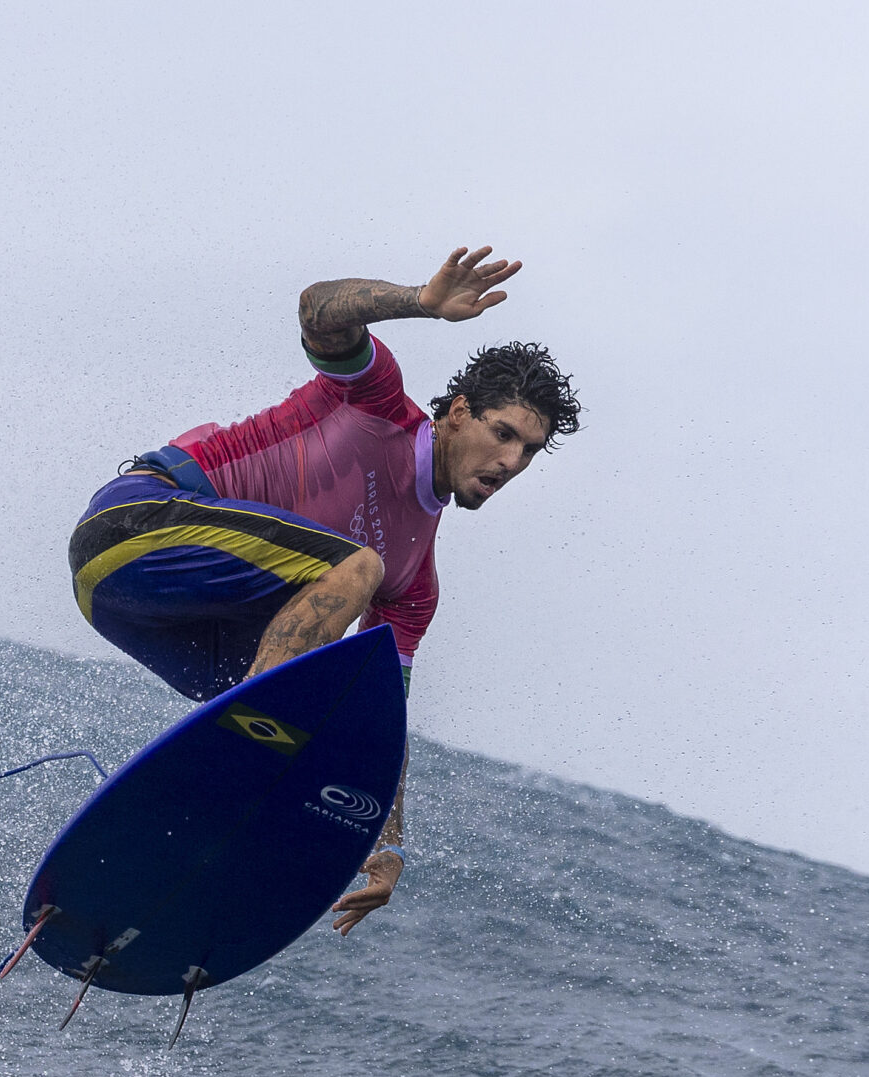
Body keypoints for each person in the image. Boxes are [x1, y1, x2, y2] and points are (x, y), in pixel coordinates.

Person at [67, 246, 581, 933]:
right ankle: (235, 765)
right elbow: (317, 309)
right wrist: (419, 302)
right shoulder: (376, 402)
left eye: (528, 452)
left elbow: (381, 718)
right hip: (133, 528)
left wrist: (386, 844)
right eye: (503, 433)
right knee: (356, 570)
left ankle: (200, 844)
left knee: (336, 703)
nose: (510, 461)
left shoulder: (415, 586)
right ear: (459, 412)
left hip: (137, 613)